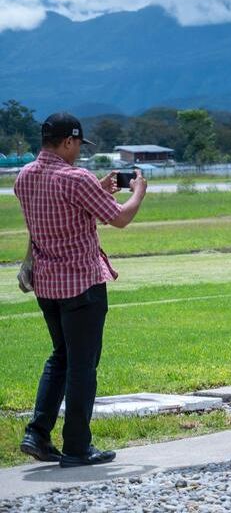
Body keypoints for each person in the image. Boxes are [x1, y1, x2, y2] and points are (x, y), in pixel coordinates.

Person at [15, 113, 147, 468]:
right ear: (68, 141)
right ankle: (76, 445)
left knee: (60, 356)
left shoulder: (24, 176)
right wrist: (138, 192)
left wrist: (98, 191)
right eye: (77, 145)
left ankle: (37, 433)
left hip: (47, 283)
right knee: (82, 365)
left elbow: (53, 213)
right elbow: (120, 218)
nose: (79, 152)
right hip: (81, 284)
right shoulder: (77, 178)